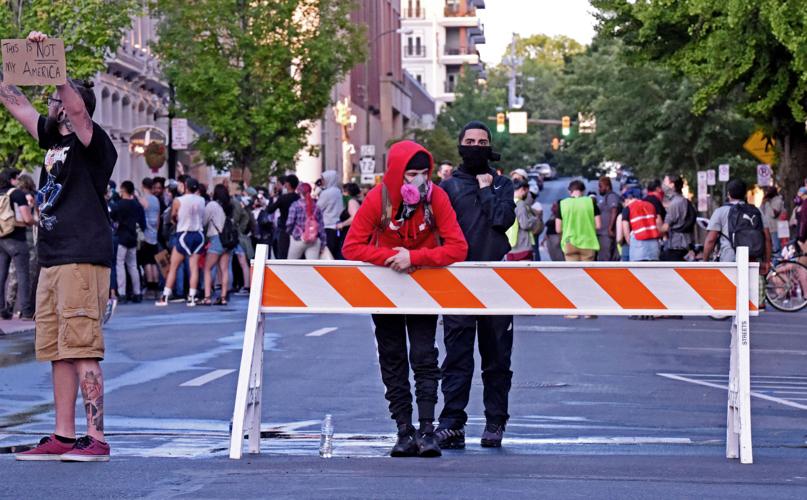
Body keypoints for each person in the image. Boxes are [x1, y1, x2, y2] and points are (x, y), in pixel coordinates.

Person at [3, 31, 117, 462]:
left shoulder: (94, 145)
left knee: (83, 345)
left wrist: (54, 69)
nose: (50, 107)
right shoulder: (52, 141)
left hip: (81, 256)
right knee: (57, 350)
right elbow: (17, 103)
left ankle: (96, 437)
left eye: (57, 103)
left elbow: (72, 106)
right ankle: (63, 435)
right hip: (51, 257)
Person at [342, 140, 468, 457]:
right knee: (392, 356)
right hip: (385, 288)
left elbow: (458, 247)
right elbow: (351, 247)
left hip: (422, 287)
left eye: (424, 173)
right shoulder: (378, 197)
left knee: (425, 356)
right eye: (411, 174)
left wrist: (416, 256)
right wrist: (390, 258)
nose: (418, 181)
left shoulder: (436, 197)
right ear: (398, 173)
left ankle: (427, 431)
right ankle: (403, 429)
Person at [436, 121, 516, 449]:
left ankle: (495, 421)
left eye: (482, 141)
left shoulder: (503, 184)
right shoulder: (447, 188)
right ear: (460, 145)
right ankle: (452, 422)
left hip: (496, 282)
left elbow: (502, 220)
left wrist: (486, 190)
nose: (476, 146)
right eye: (470, 141)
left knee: (496, 357)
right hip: (456, 281)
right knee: (457, 356)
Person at [703, 179, 772, 280]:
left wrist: (705, 261)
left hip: (729, 260)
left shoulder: (720, 212)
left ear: (728, 194)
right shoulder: (756, 211)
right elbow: (767, 238)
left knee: (728, 293)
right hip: (752, 259)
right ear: (745, 194)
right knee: (751, 293)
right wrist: (767, 261)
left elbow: (711, 240)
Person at [156, 177, 205, 307]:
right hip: (199, 234)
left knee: (173, 266)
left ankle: (165, 296)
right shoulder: (202, 200)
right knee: (193, 267)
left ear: (185, 186)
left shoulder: (178, 200)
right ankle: (192, 297)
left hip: (184, 233)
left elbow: (173, 217)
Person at [0, 168, 35, 319]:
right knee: (23, 274)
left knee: (1, 276)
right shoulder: (17, 194)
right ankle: (26, 311)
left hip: (1, 237)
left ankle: (2, 309)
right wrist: (36, 222)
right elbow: (27, 218)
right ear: (13, 179)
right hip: (16, 239)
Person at [111, 181, 146, 303]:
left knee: (120, 264)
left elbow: (113, 217)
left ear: (123, 190)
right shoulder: (136, 205)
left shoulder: (118, 205)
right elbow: (142, 221)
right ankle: (137, 292)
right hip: (133, 237)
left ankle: (122, 293)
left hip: (122, 236)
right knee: (133, 266)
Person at [202, 184, 235, 305]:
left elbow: (204, 221)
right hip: (228, 241)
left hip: (216, 239)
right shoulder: (229, 206)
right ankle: (223, 297)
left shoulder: (212, 205)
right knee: (224, 269)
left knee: (207, 268)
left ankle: (207, 297)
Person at [556, 179, 601, 261]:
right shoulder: (590, 202)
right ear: (583, 191)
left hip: (569, 242)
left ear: (569, 191)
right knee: (587, 272)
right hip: (588, 242)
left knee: (573, 272)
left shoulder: (562, 204)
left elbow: (558, 229)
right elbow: (598, 225)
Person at [621, 188, 663, 261]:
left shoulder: (628, 209)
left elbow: (626, 231)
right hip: (654, 246)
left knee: (638, 271)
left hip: (638, 247)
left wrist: (631, 245)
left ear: (629, 198)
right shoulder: (651, 206)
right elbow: (659, 225)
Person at [264, 175, 300, 259]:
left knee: (282, 255)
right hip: (297, 231)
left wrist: (271, 197)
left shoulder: (283, 198)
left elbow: (270, 210)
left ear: (287, 184)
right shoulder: (298, 198)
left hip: (284, 230)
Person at [286, 183, 325, 260]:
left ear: (299, 192)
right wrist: (323, 243)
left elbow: (289, 223)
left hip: (298, 239)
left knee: (291, 265)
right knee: (313, 267)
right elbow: (321, 227)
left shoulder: (295, 205)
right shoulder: (316, 207)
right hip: (314, 240)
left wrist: (290, 233)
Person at [660, 175, 694, 261]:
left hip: (676, 246)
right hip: (684, 244)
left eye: (665, 182)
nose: (663, 185)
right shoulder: (683, 200)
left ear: (672, 184)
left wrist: (654, 227)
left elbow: (665, 227)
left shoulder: (675, 203)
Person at [137, 178, 161, 298]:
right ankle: (156, 287)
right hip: (154, 235)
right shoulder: (156, 200)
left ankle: (150, 288)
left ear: (143, 186)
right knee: (154, 262)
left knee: (147, 262)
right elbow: (158, 219)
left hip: (145, 234)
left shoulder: (143, 200)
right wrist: (156, 230)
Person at [506, 179, 541, 261]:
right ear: (522, 189)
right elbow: (525, 224)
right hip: (523, 246)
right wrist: (534, 219)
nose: (527, 194)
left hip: (510, 247)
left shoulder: (507, 202)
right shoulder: (520, 204)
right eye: (527, 192)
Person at [317, 170, 344, 259]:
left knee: (327, 254)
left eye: (323, 179)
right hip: (336, 225)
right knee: (335, 253)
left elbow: (318, 208)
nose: (322, 181)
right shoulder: (338, 191)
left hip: (327, 225)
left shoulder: (326, 193)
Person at [596, 176, 620, 261]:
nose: (599, 189)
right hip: (602, 234)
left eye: (600, 186)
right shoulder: (604, 198)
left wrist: (610, 228)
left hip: (607, 234)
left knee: (606, 259)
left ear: (607, 187)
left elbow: (614, 210)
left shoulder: (611, 196)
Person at [336, 182, 361, 256]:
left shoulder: (352, 202)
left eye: (344, 191)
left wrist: (342, 224)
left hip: (348, 233)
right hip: (351, 233)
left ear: (348, 192)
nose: (342, 194)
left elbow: (354, 217)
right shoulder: (357, 201)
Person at [760, 186, 784, 256]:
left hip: (775, 229)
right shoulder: (768, 201)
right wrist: (763, 202)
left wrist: (767, 204)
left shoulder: (778, 201)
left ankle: (778, 264)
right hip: (767, 228)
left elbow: (774, 214)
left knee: (776, 248)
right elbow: (761, 211)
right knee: (770, 248)